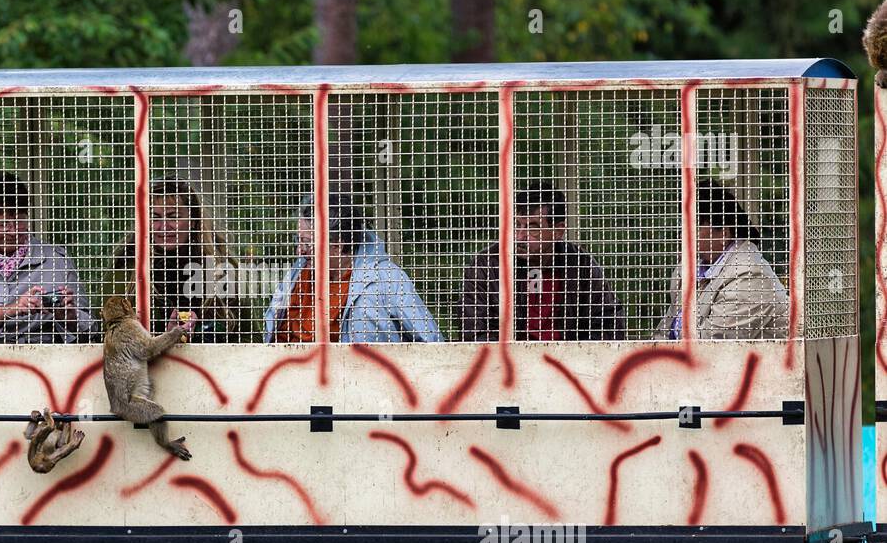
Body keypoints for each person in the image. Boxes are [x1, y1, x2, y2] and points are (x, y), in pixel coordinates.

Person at [263, 190, 443, 343]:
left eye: (307, 243)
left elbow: (432, 342)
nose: (299, 251)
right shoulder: (298, 274)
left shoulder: (386, 279)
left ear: (338, 245)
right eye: (298, 240)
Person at [0, 172, 94, 343]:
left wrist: (69, 318)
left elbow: (90, 328)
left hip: (44, 360)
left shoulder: (55, 258)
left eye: (20, 221)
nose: (13, 231)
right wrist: (11, 310)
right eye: (2, 224)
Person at [458, 183, 626, 342]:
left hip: (567, 365)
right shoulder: (488, 265)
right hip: (508, 366)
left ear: (558, 231)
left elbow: (609, 324)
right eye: (517, 225)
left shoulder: (581, 265)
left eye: (532, 227)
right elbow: (473, 331)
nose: (520, 236)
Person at [655, 178, 788, 340]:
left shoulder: (750, 277)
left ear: (724, 234)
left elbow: (710, 347)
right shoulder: (691, 270)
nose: (683, 233)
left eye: (695, 224)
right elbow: (664, 331)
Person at [111, 178, 241, 340]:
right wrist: (163, 339)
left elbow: (251, 336)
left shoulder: (220, 265)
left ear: (193, 220)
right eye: (155, 217)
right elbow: (109, 335)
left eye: (173, 216)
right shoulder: (127, 266)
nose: (164, 226)